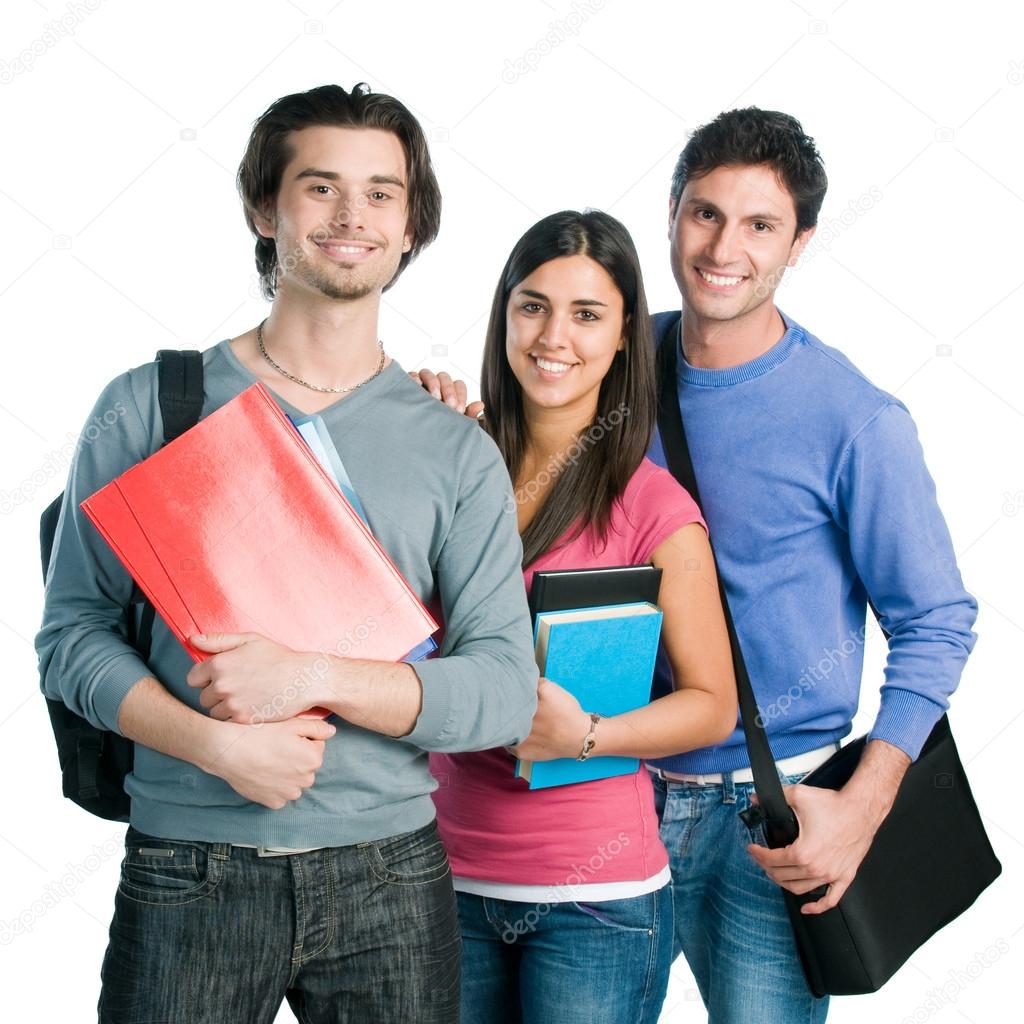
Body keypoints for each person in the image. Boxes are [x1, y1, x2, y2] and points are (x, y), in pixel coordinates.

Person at [416, 108, 978, 1024]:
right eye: (705, 214)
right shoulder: (609, 354)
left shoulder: (854, 419)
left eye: (761, 224)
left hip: (764, 810)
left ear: (800, 242)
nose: (725, 246)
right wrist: (438, 410)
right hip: (596, 793)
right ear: (672, 214)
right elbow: (524, 444)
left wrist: (864, 804)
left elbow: (937, 622)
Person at [35, 83, 539, 1024]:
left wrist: (311, 673)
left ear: (410, 227)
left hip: (391, 875)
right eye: (320, 187)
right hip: (189, 866)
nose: (352, 216)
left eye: (382, 193)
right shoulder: (151, 406)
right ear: (265, 210)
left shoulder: (453, 444)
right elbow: (70, 640)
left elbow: (504, 691)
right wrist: (217, 745)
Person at [429, 209, 737, 1024]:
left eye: (587, 314)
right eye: (532, 306)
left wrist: (587, 736)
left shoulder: (653, 509)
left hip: (594, 902)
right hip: (438, 879)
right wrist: (408, 421)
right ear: (503, 314)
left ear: (626, 334)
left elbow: (712, 702)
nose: (552, 336)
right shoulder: (451, 460)